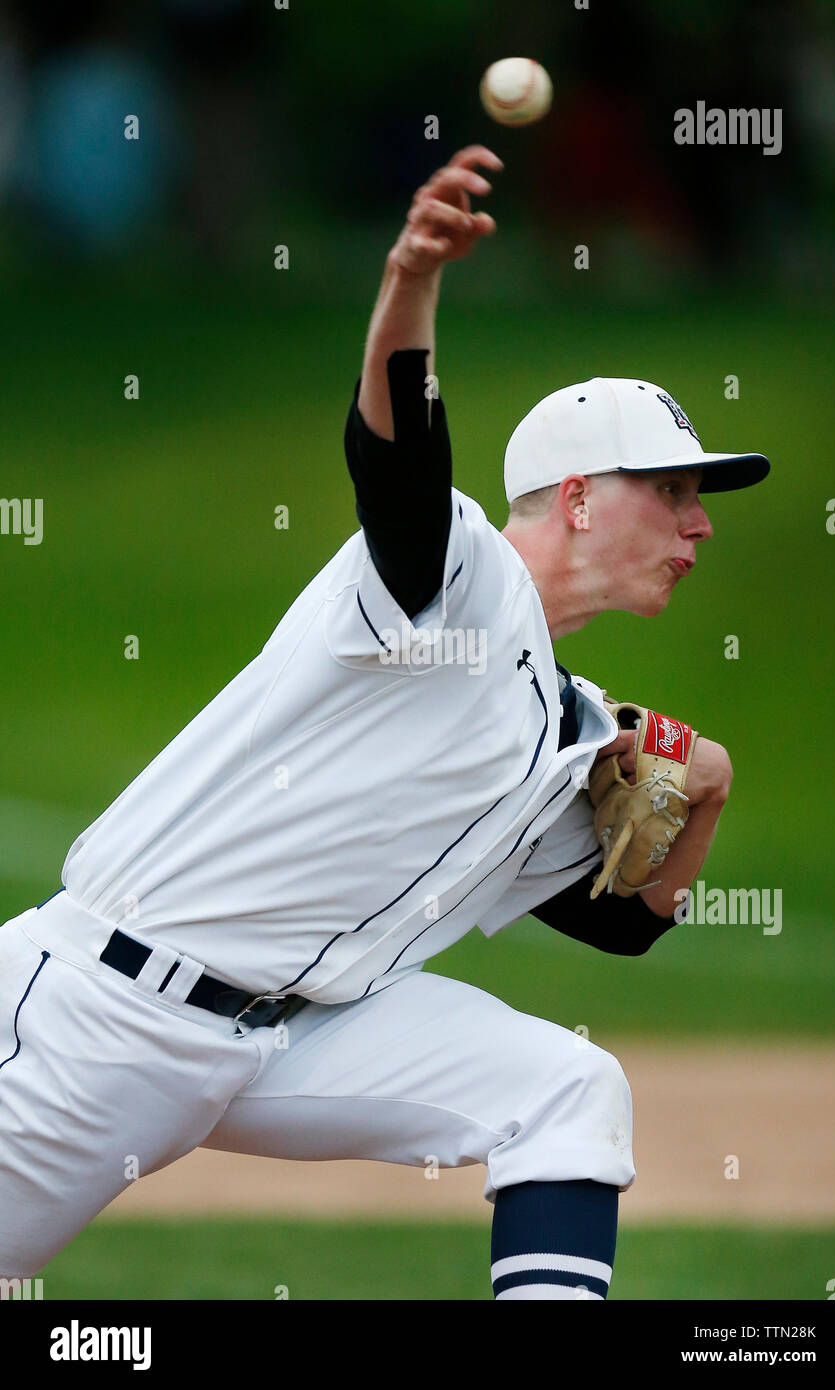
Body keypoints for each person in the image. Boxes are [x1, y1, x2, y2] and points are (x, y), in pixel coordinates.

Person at [0, 147, 768, 1300]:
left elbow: (621, 925)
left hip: (287, 1041)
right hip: (99, 1015)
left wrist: (701, 792)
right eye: (670, 490)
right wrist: (410, 276)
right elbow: (395, 453)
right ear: (574, 497)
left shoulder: (567, 724)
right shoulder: (455, 585)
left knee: (565, 1088)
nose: (695, 525)